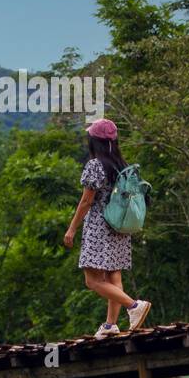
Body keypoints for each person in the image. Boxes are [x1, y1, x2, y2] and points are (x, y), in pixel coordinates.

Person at [63, 118, 150, 339]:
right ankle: (111, 325)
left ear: (94, 141)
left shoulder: (95, 165)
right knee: (113, 275)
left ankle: (133, 305)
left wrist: (72, 229)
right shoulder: (121, 164)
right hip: (119, 226)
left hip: (99, 227)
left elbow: (86, 202)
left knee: (92, 280)